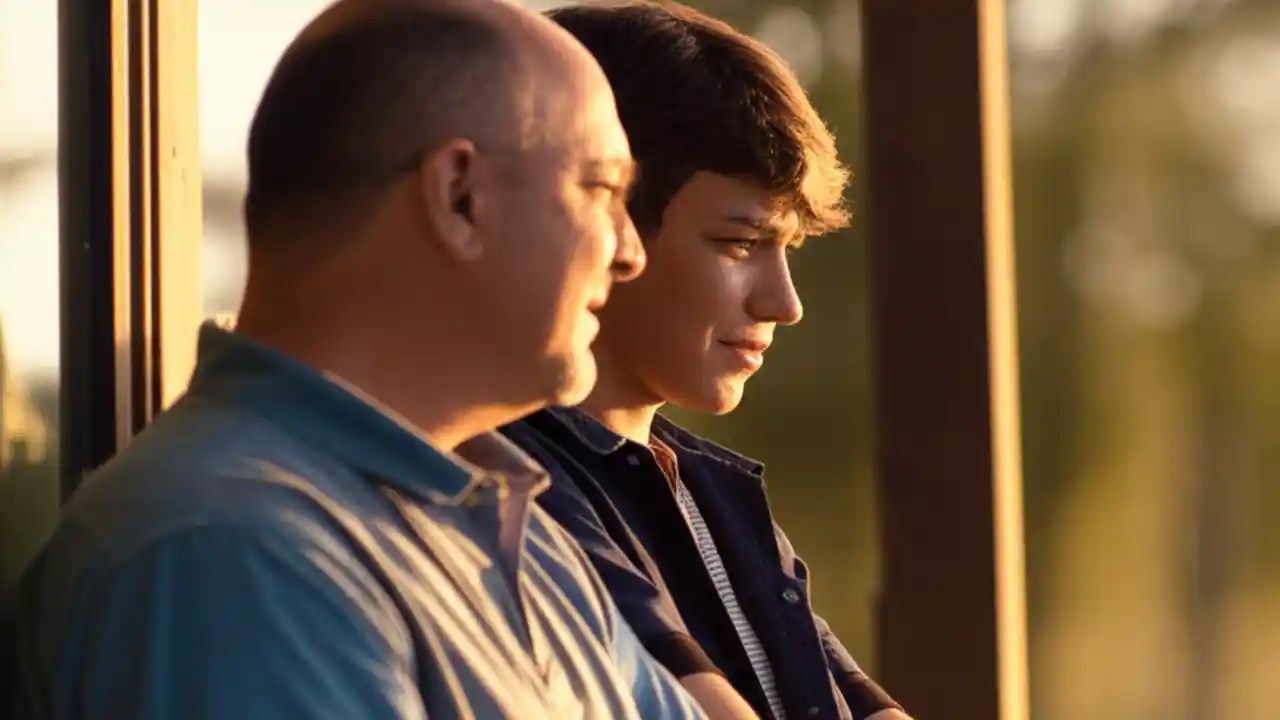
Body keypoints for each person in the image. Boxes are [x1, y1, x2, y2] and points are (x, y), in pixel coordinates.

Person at [12, 1, 707, 718]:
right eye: (601, 190)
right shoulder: (233, 557)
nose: (630, 253)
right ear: (459, 197)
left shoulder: (519, 543)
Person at [501, 3, 909, 719]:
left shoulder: (714, 496)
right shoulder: (508, 479)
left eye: (791, 251)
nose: (785, 304)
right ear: (606, 219)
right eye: (739, 244)